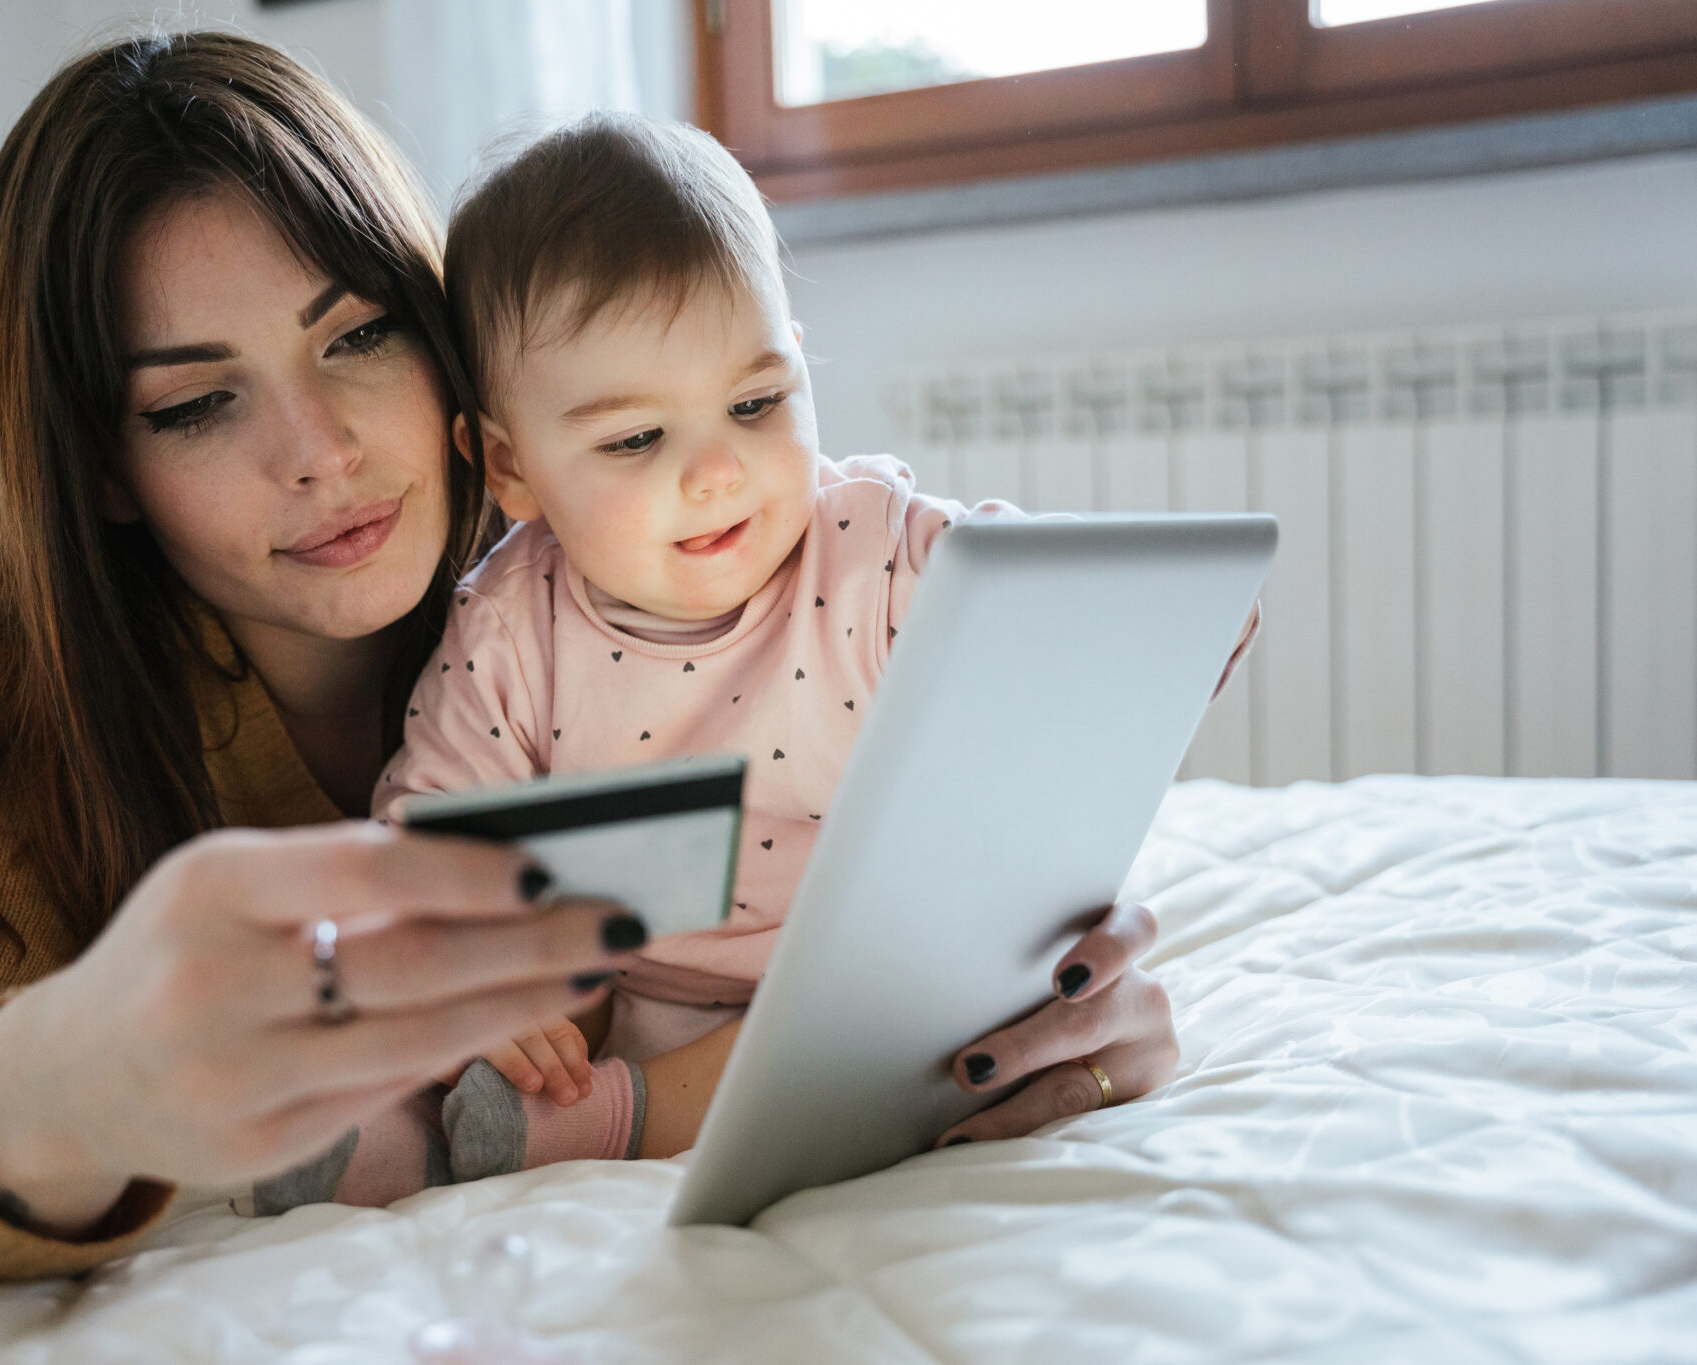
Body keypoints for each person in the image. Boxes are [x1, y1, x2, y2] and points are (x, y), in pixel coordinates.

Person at [0, 32, 1180, 1282]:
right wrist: (77, 1076)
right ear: (104, 466)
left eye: (358, 335)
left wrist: (1032, 961)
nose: (327, 457)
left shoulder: (572, 523)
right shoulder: (0, 648)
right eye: (193, 405)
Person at [256, 114, 1236, 1211]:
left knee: (883, 1024)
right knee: (494, 1002)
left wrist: (1135, 634)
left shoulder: (876, 543)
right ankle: (404, 1130)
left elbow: (1023, 604)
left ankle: (590, 1131)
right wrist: (466, 970)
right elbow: (428, 830)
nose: (718, 471)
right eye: (635, 439)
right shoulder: (506, 621)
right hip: (624, 992)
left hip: (845, 990)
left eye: (756, 403)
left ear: (799, 368)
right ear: (509, 465)